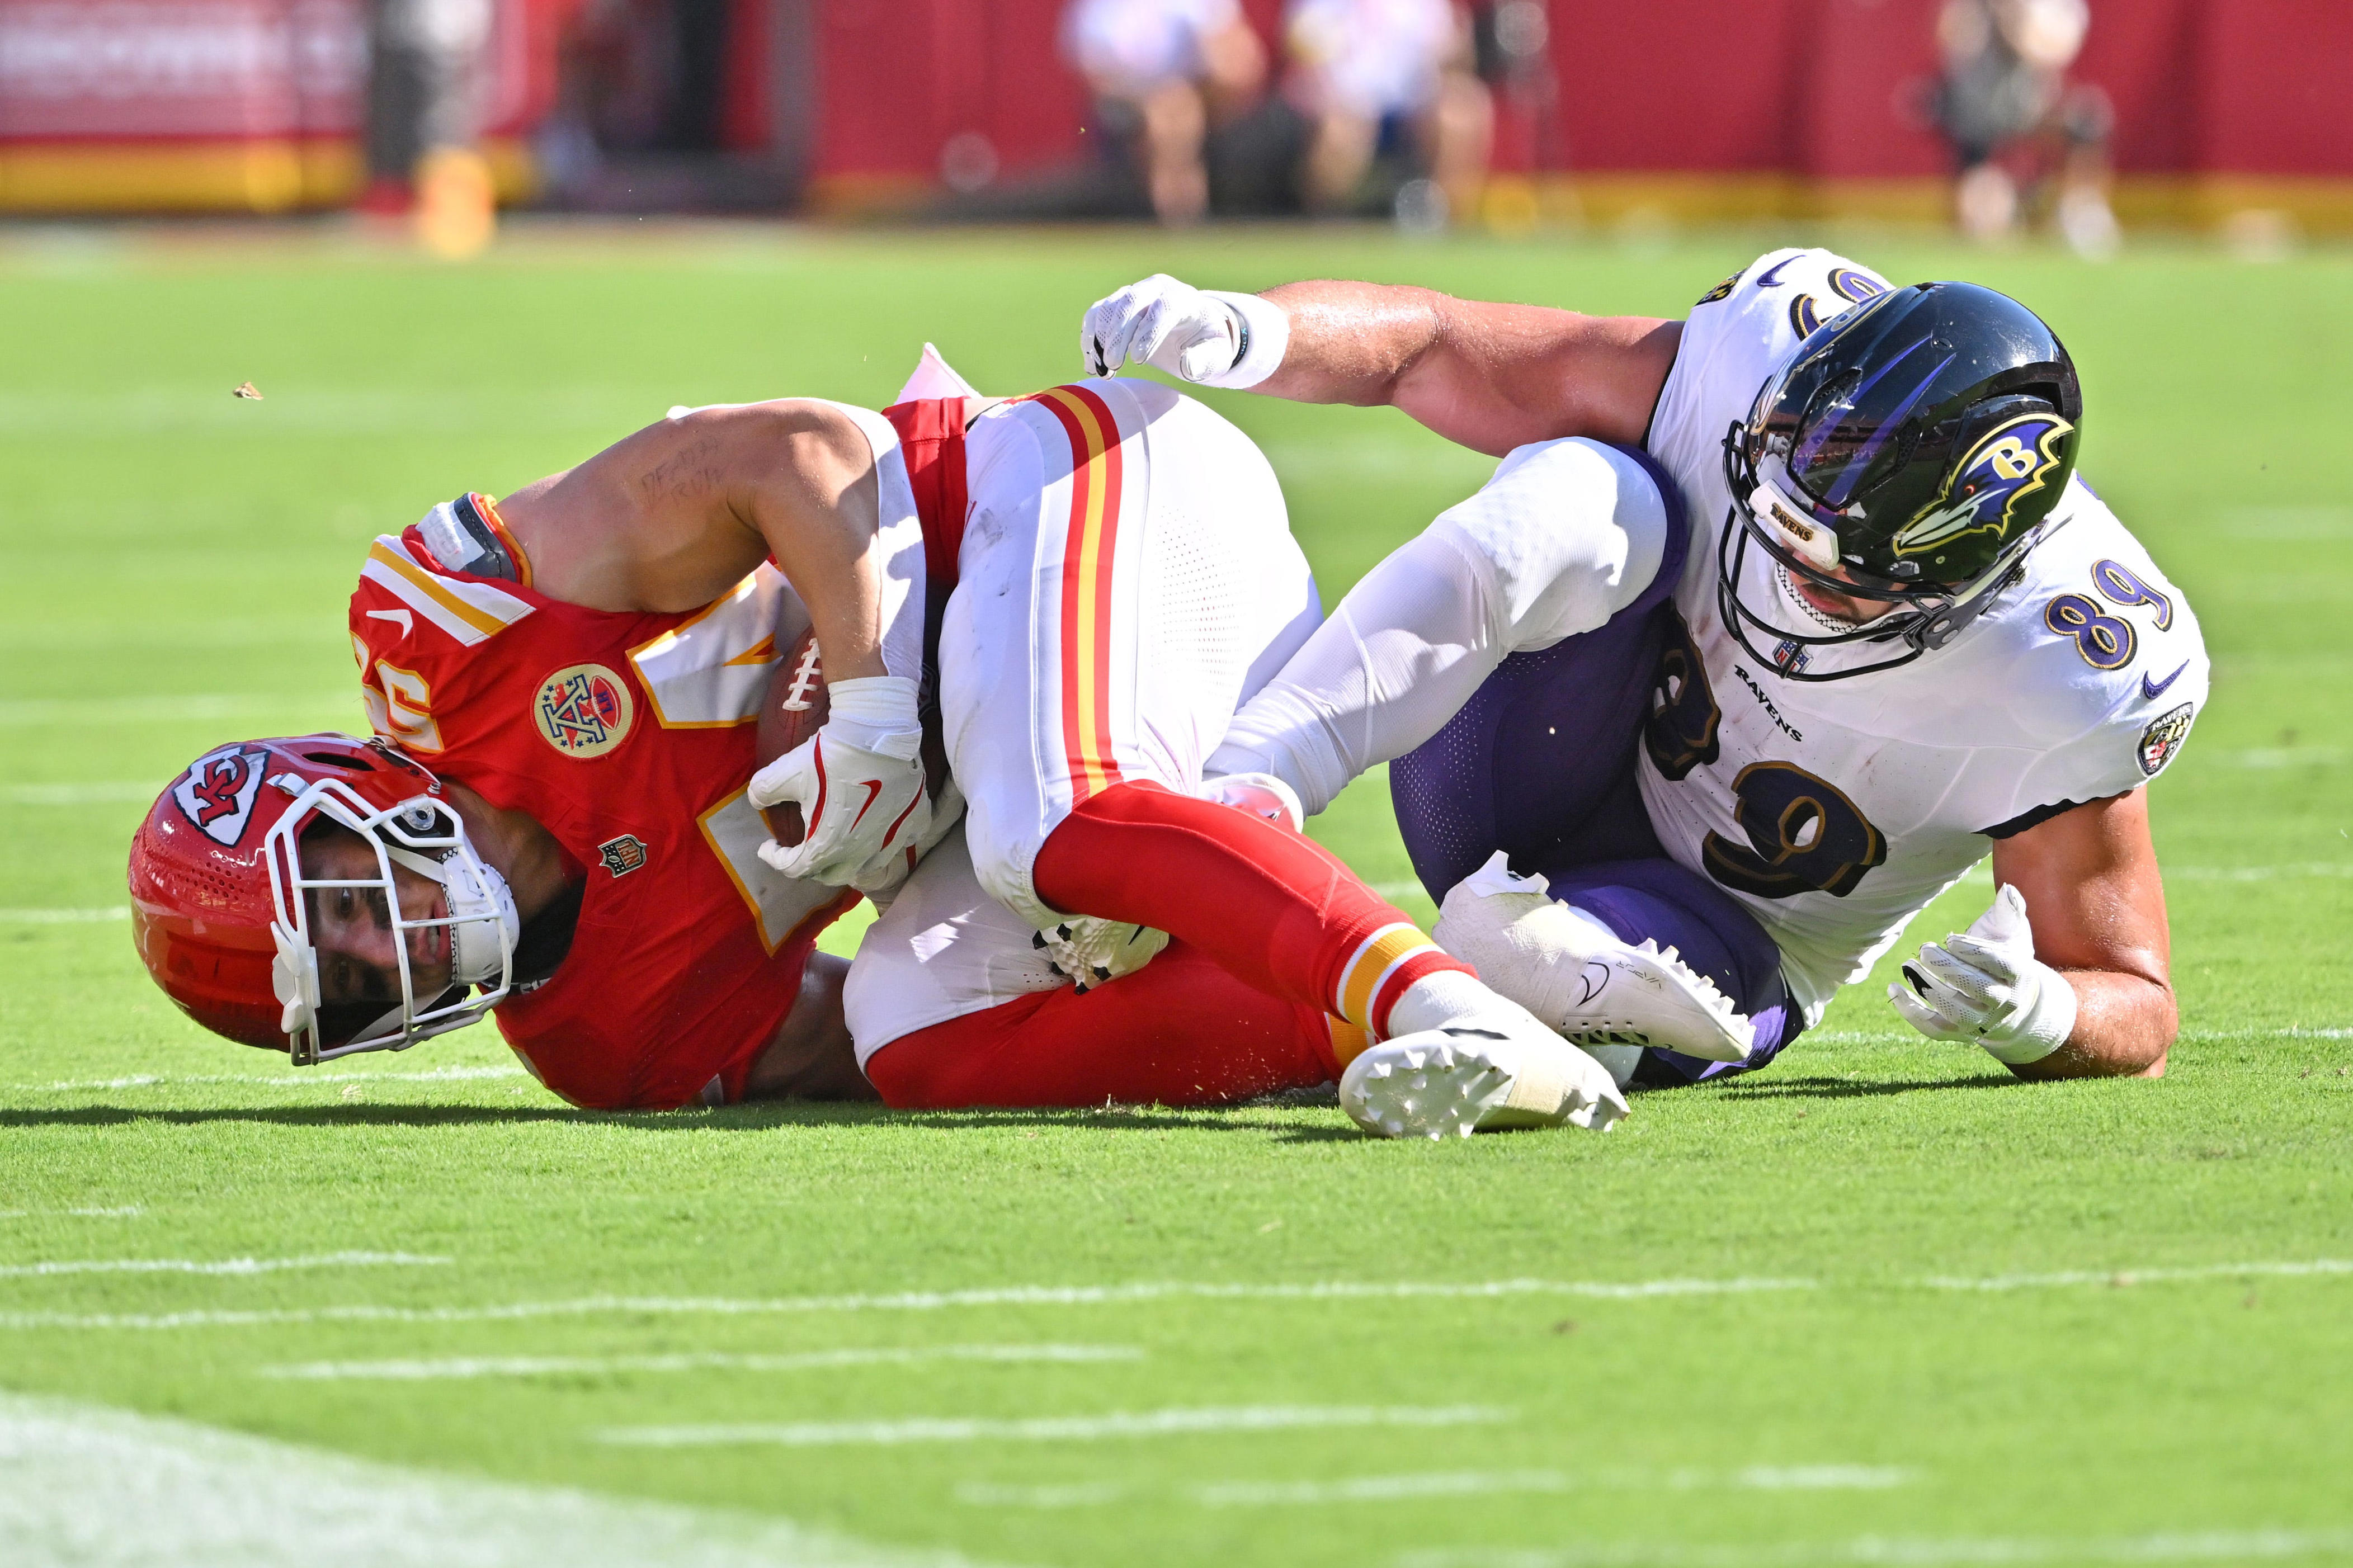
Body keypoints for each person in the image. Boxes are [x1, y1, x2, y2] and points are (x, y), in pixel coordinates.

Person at [129, 351, 1627, 1139]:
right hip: (1073, 750)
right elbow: (858, 1027)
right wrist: (1081, 968)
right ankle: (1479, 997)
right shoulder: (604, 1039)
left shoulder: (454, 636)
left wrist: (861, 711)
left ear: (345, 787)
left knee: (1044, 818)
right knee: (916, 1028)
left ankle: (1444, 1004)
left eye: (331, 896)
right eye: (343, 980)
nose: (381, 944)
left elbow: (803, 449)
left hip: (1064, 500)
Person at [1076, 253, 2206, 1089]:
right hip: (1525, 760)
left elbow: (2135, 998)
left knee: (1501, 950)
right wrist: (1252, 331)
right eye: (1773, 509)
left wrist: (2044, 1011)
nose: (1780, 560)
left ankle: (1482, 1025)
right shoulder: (1753, 364)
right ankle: (1239, 795)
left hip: (1722, 933)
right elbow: (1434, 344)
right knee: (1583, 491)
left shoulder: (2068, 670)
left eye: (1831, 565)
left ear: (1960, 573)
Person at [1927, 0, 2118, 257]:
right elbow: (1949, 40)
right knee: (1985, 225)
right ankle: (1989, 209)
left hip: (2033, 104)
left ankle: (2081, 212)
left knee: (2087, 121)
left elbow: (2051, 49)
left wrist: (2015, 22)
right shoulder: (1973, 9)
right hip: (1979, 108)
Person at [1282, 0, 1489, 225]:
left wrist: (1459, 48)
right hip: (1344, 100)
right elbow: (1300, 42)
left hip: (1413, 104)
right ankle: (1326, 221)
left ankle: (1443, 220)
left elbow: (1449, 56)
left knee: (1460, 113)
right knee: (1340, 129)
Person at [1062, 0, 1269, 225]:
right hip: (1125, 99)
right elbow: (1094, 68)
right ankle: (1179, 212)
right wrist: (1146, 92)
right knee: (1172, 109)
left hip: (1198, 98)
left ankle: (1178, 211)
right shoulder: (1103, 7)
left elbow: (1237, 61)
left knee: (1175, 107)